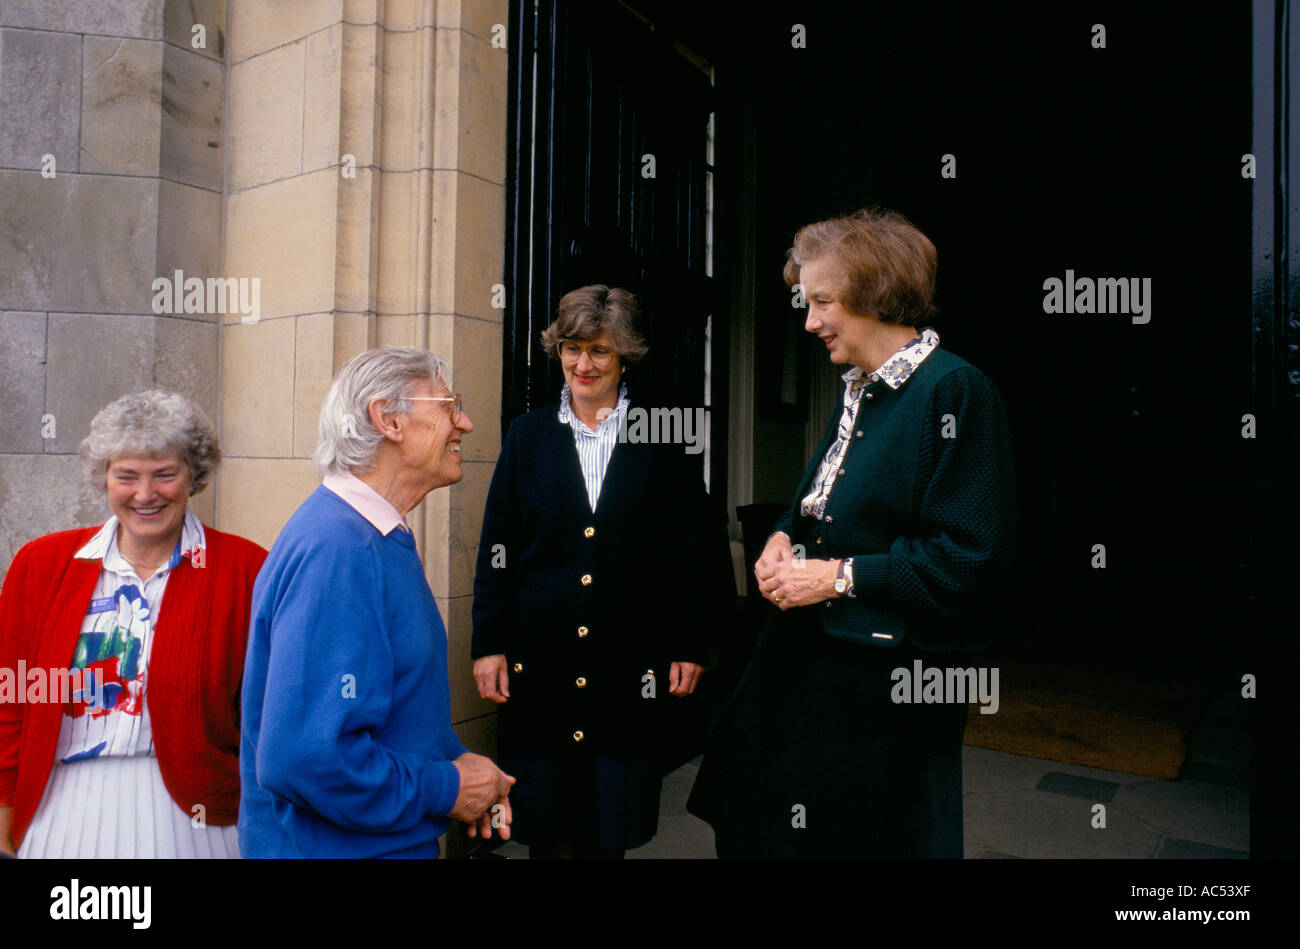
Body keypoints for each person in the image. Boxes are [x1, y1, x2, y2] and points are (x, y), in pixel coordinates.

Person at [687, 208, 1017, 857]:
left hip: (888, 681)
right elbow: (823, 503)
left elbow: (967, 561)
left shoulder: (956, 391)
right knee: (751, 810)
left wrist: (835, 576)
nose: (808, 321)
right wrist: (784, 537)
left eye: (822, 302)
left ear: (872, 292)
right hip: (808, 659)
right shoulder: (861, 391)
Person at [472, 285, 728, 859]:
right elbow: (499, 548)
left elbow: (691, 550)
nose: (582, 364)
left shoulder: (665, 436)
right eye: (571, 348)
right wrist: (488, 643)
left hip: (628, 661)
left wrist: (690, 641)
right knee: (548, 824)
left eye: (600, 351)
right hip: (540, 662)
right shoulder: (527, 436)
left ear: (626, 355)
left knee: (610, 825)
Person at [238, 347, 514, 858]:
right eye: (449, 405)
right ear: (387, 420)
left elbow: (392, 715)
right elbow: (305, 758)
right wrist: (447, 789)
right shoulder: (340, 549)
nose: (466, 423)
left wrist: (467, 773)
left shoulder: (368, 536)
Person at [0, 390, 267, 858]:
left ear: (194, 476)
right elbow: (11, 699)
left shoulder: (246, 569)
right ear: (104, 478)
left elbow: (265, 715)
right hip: (59, 814)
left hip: (200, 820)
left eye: (165, 474)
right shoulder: (42, 564)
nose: (145, 495)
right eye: (126, 476)